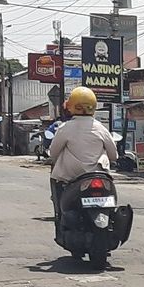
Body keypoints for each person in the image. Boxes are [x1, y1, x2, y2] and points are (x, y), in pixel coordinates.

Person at [48, 86, 118, 220]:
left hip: (72, 178)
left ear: (71, 106)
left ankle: (60, 216)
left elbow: (53, 153)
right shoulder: (101, 128)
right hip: (100, 176)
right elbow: (114, 155)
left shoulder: (65, 128)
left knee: (55, 180)